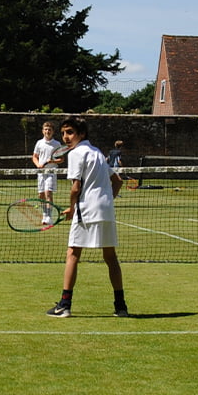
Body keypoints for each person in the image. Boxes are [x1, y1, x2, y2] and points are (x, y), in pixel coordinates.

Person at [47, 116, 128, 319]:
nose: (66, 137)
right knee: (110, 257)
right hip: (105, 210)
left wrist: (72, 208)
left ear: (81, 134)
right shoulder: (97, 152)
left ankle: (64, 305)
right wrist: (104, 202)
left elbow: (76, 188)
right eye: (63, 133)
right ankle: (121, 307)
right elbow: (118, 181)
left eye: (70, 132)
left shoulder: (76, 153)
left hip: (86, 210)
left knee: (72, 254)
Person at [32, 120, 65, 225]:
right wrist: (38, 165)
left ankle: (48, 216)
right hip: (41, 172)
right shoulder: (39, 143)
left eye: (49, 130)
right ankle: (44, 214)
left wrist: (52, 161)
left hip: (51, 171)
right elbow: (34, 157)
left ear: (53, 131)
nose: (47, 131)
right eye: (46, 129)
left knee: (48, 193)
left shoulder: (57, 144)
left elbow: (61, 159)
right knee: (41, 195)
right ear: (43, 131)